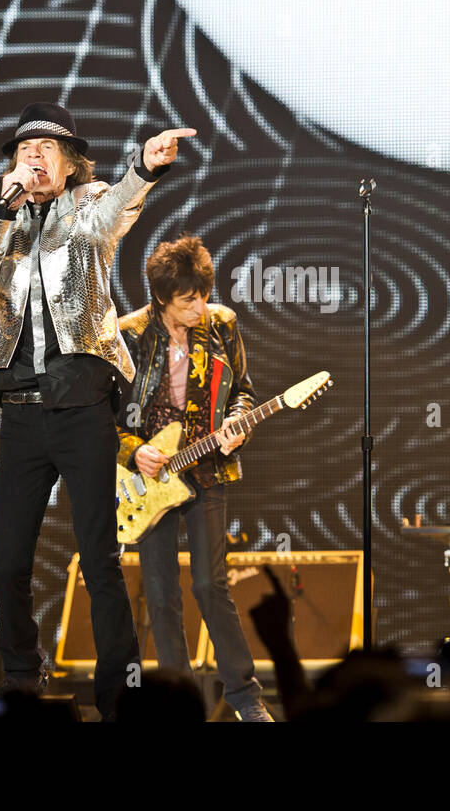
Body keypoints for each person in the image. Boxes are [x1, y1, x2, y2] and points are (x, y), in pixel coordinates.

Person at [0, 101, 195, 719]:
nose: (32, 155)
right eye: (23, 148)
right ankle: (20, 678)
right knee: (8, 560)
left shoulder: (85, 205)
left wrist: (143, 169)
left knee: (99, 557)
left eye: (45, 148)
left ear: (68, 166)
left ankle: (117, 693)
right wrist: (4, 216)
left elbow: (117, 211)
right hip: (24, 414)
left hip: (83, 406)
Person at [115, 235, 273, 721]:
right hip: (151, 482)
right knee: (161, 597)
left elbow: (244, 391)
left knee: (210, 586)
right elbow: (105, 415)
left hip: (207, 471)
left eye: (204, 294)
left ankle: (246, 701)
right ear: (162, 298)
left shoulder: (222, 324)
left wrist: (236, 427)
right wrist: (134, 449)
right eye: (188, 300)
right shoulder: (131, 332)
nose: (200, 306)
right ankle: (177, 708)